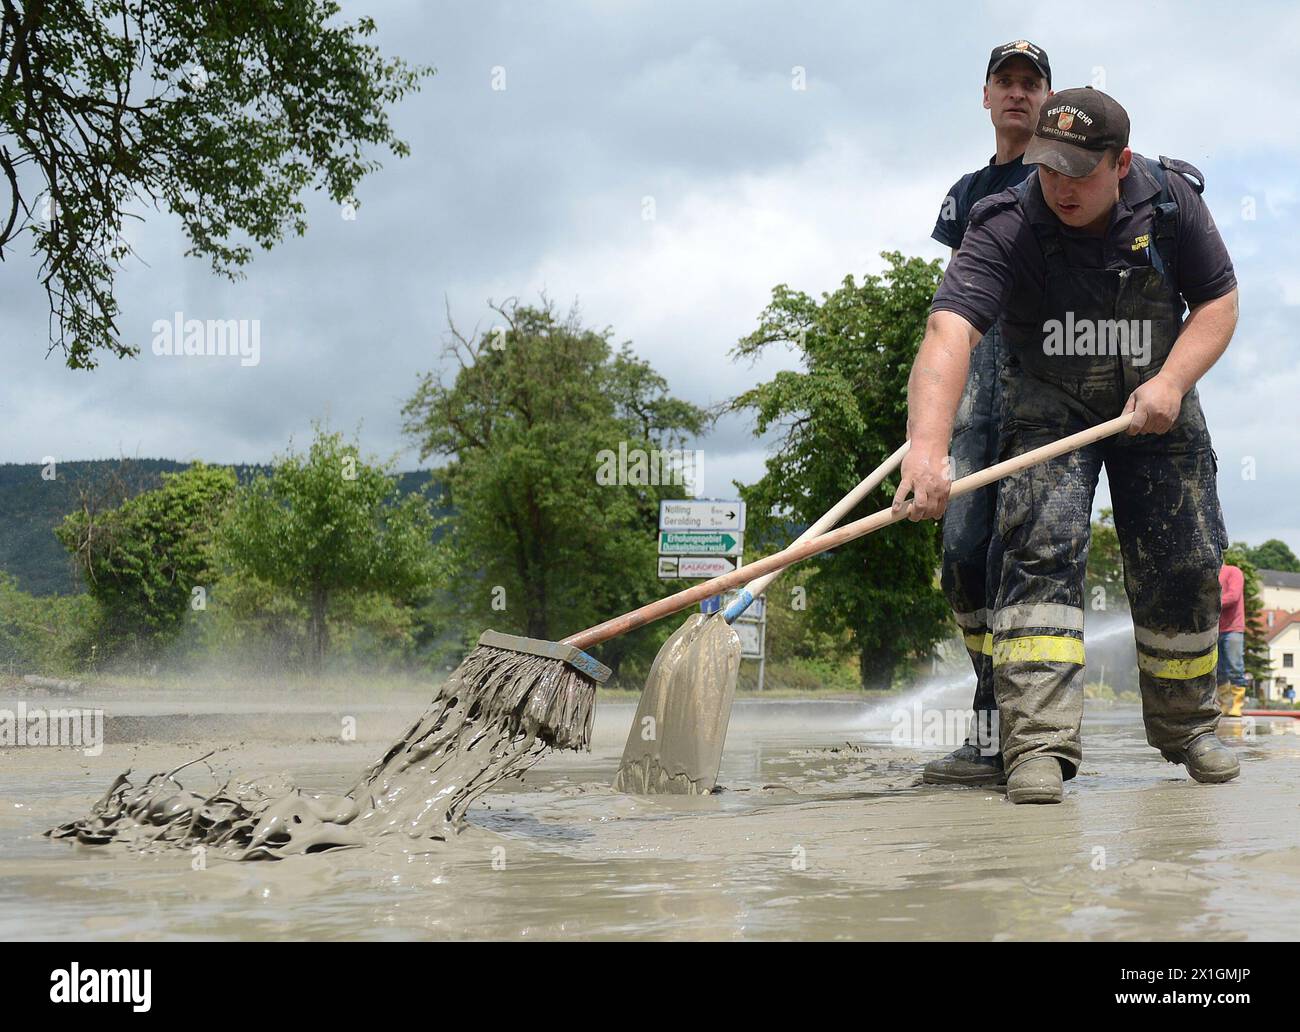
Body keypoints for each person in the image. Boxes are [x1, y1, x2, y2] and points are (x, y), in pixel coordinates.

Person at [894, 86, 1241, 804]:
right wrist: (927, 448)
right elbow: (949, 331)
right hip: (1049, 403)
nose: (1061, 187)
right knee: (1038, 556)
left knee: (1185, 558)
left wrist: (1173, 382)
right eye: (1050, 169)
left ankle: (1189, 729)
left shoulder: (1173, 203)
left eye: (1079, 172)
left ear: (1122, 162)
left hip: (1157, 395)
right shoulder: (1006, 221)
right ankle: (1038, 747)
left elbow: (1219, 301)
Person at [924, 40, 1053, 787]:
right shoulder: (968, 191)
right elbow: (950, 297)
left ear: (1047, 96)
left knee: (1022, 560)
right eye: (1005, 82)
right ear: (985, 96)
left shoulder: (1062, 178)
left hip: (1044, 386)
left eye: (1030, 83)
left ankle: (1005, 739)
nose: (1017, 93)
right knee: (963, 555)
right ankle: (993, 722)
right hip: (976, 385)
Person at [1217, 563, 1248, 716]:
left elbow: (1233, 596)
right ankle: (1224, 704)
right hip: (1214, 629)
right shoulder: (1209, 573)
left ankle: (1237, 704)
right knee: (1218, 670)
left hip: (1233, 628)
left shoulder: (1233, 572)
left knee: (1235, 667)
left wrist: (1210, 603)